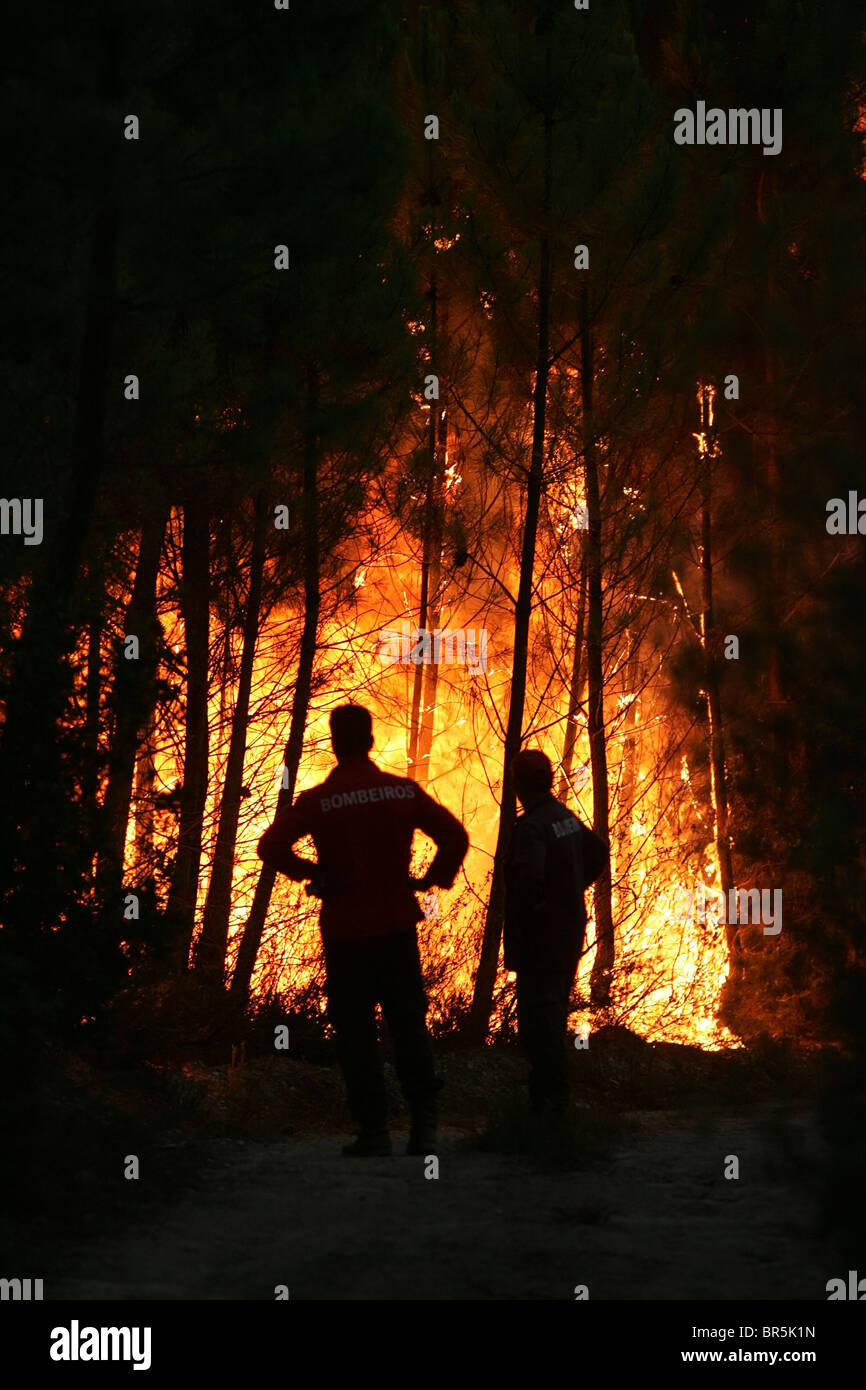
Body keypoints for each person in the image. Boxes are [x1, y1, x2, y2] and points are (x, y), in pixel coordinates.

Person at [257, 704, 469, 1157]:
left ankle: (374, 1132)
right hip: (395, 927)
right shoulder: (401, 792)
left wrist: (311, 873)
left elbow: (270, 845)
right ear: (370, 742)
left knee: (355, 1031)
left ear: (335, 743)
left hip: (346, 933)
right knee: (408, 1022)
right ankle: (424, 1128)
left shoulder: (316, 802)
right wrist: (432, 878)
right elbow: (454, 835)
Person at [503, 749, 609, 1118]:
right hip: (567, 930)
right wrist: (572, 889)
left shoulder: (532, 827)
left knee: (538, 1021)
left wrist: (536, 911)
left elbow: (529, 881)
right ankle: (549, 1103)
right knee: (553, 1011)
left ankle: (551, 1103)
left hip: (541, 939)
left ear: (518, 785)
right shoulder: (563, 817)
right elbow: (599, 850)